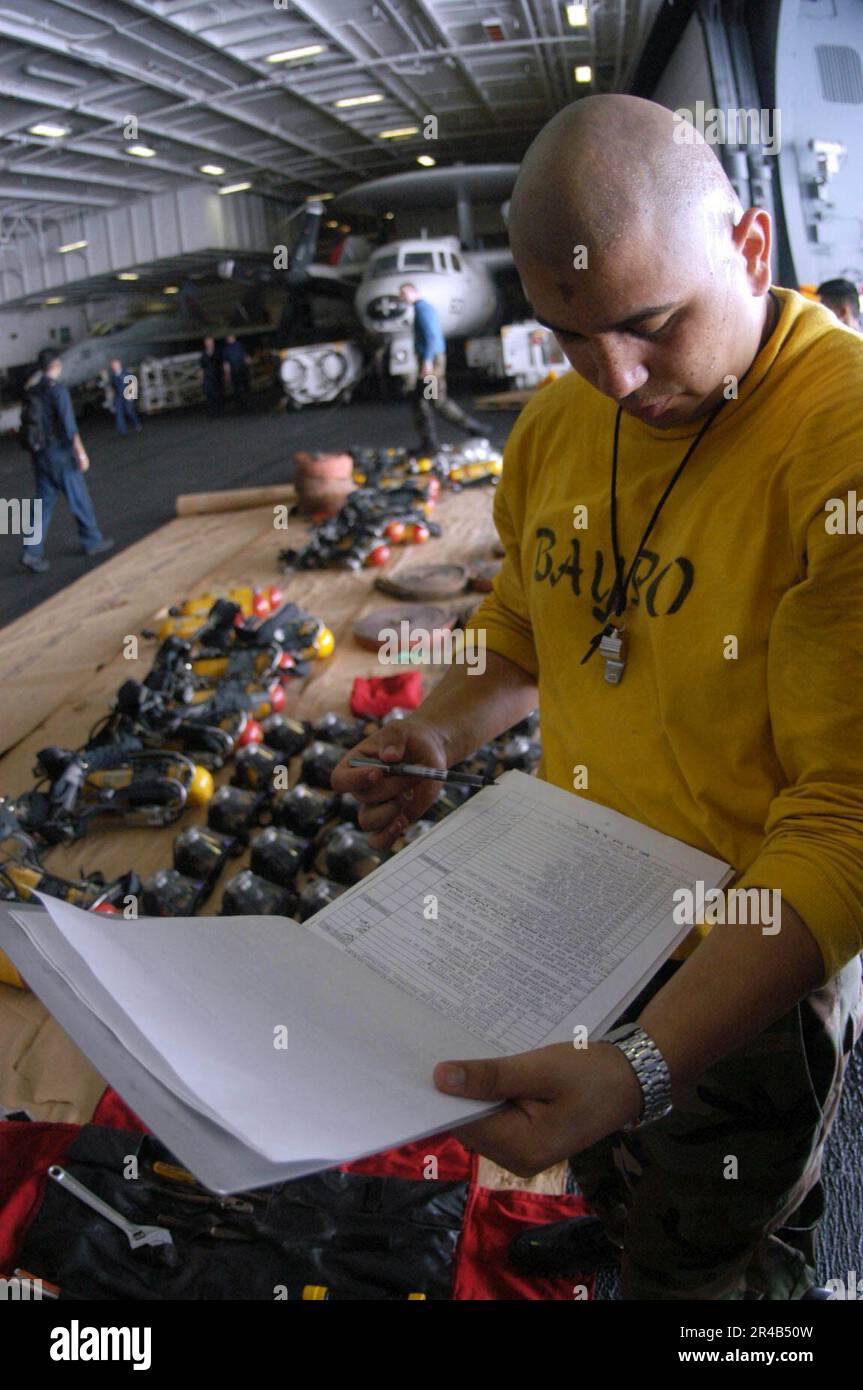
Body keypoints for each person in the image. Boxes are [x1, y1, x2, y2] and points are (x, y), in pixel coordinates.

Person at [335, 95, 863, 1301]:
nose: (614, 377)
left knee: (720, 1234)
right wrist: (437, 730)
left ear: (748, 250)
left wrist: (641, 1063)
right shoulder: (560, 425)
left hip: (736, 955)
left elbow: (844, 818)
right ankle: (630, 1224)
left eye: (649, 324)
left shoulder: (833, 447)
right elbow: (523, 632)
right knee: (617, 1165)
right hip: (571, 911)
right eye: (569, 336)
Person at [19, 349, 114, 574]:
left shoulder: (32, 390)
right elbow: (69, 427)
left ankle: (31, 552)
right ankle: (92, 541)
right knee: (79, 498)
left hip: (39, 456)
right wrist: (80, 453)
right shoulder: (58, 391)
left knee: (42, 506)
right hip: (60, 454)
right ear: (56, 365)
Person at [399, 282, 485, 455]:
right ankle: (429, 442)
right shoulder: (422, 308)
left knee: (435, 400)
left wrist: (427, 361)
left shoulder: (422, 310)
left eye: (403, 294)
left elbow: (431, 336)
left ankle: (473, 428)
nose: (402, 298)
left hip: (431, 362)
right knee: (421, 400)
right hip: (430, 360)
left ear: (412, 291)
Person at [108, 357, 142, 435]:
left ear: (119, 365)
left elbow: (133, 383)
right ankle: (122, 431)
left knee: (129, 411)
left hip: (128, 395)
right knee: (119, 413)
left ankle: (137, 424)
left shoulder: (126, 373)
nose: (115, 366)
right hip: (119, 397)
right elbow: (112, 387)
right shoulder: (113, 376)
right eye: (113, 365)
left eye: (116, 364)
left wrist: (131, 395)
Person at [221, 334, 251, 411]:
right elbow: (226, 363)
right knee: (236, 389)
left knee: (245, 386)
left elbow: (245, 356)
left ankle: (247, 402)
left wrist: (248, 360)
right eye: (228, 337)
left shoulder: (240, 345)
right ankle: (240, 404)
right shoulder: (226, 349)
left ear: (234, 337)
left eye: (231, 336)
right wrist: (227, 374)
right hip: (234, 371)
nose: (230, 338)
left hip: (243, 369)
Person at [199, 335, 224, 416]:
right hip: (208, 376)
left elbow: (222, 363)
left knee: (218, 393)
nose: (209, 344)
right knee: (209, 394)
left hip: (217, 375)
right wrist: (201, 378)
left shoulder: (218, 352)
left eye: (210, 342)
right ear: (205, 343)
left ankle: (219, 410)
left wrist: (225, 373)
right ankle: (212, 411)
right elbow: (202, 367)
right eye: (207, 342)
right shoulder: (203, 354)